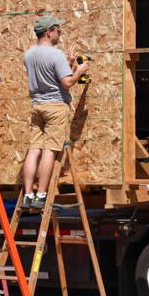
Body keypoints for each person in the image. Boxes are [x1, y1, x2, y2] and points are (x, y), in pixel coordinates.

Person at [20, 15, 89, 208]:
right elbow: (66, 83)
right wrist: (79, 71)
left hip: (37, 106)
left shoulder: (29, 54)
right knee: (49, 150)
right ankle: (41, 194)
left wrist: (67, 62)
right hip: (56, 107)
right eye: (58, 30)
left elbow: (45, 74)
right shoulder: (55, 54)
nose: (60, 33)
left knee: (34, 150)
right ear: (49, 32)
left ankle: (28, 195)